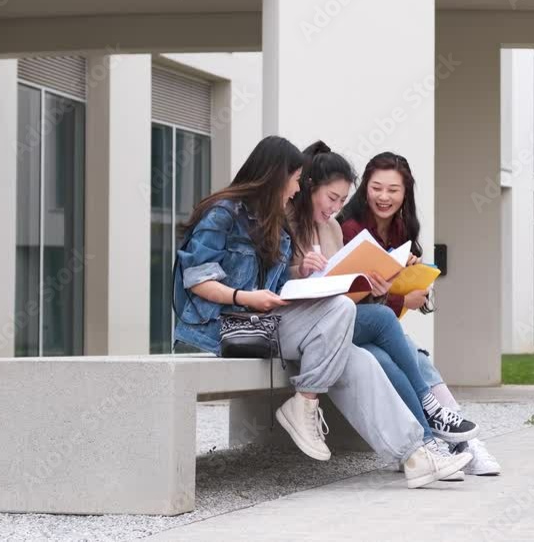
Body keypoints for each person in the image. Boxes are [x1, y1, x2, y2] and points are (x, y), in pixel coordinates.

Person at [173, 136, 470, 488]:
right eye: (296, 179)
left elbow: (280, 282)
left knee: (360, 361)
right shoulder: (223, 213)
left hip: (268, 323)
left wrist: (301, 274)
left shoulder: (274, 223)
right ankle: (307, 402)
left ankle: (417, 455)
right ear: (275, 175)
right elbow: (197, 279)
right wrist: (247, 298)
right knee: (348, 318)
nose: (297, 188)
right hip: (226, 328)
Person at [288, 142, 479, 462]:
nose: (336, 206)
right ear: (309, 187)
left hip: (344, 314)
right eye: (332, 198)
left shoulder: (338, 227)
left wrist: (385, 284)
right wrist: (390, 293)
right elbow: (277, 278)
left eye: (341, 200)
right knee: (392, 336)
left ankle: (438, 441)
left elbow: (343, 287)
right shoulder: (301, 223)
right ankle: (433, 422)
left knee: (402, 356)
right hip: (314, 321)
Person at [339, 151, 502, 476]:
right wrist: (401, 299)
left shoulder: (403, 229)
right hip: (351, 326)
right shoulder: (350, 229)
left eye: (393, 190)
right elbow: (349, 297)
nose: (384, 197)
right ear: (365, 189)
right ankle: (438, 445)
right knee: (402, 359)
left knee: (415, 358)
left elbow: (388, 294)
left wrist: (412, 287)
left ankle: (464, 444)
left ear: (405, 193)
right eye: (376, 188)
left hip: (378, 325)